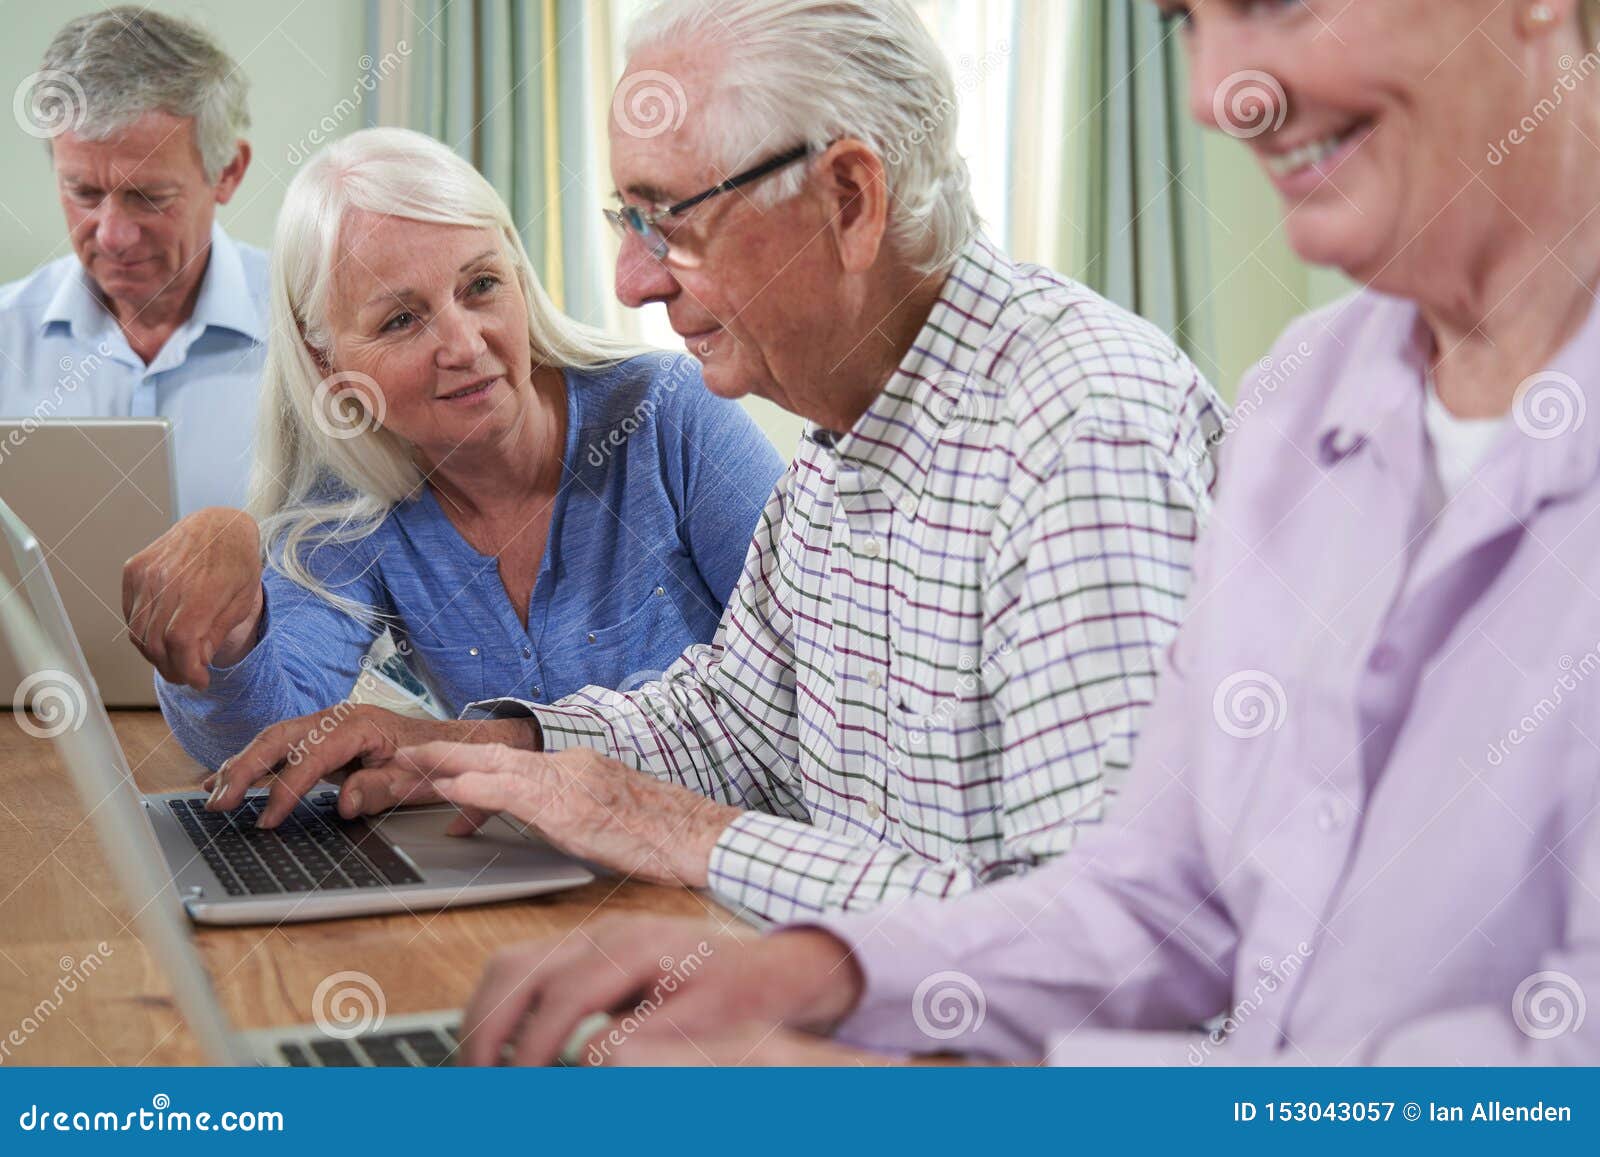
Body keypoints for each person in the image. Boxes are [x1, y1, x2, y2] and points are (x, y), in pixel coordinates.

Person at [453, 0, 1600, 1066]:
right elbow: (1157, 903)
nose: (1213, 94)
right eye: (1184, 19)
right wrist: (810, 972)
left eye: (1274, 2)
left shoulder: (1087, 422)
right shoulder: (1310, 392)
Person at [201, 0, 1225, 921]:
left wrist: (685, 832)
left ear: (849, 199)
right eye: (627, 220)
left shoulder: (1078, 435)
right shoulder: (843, 434)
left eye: (671, 220)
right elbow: (737, 718)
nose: (631, 280)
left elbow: (1119, 934)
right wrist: (479, 748)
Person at [133, 127, 783, 777]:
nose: (465, 345)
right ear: (325, 361)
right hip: (514, 846)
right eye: (401, 320)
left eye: (481, 285)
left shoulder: (669, 413)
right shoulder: (354, 498)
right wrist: (235, 626)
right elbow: (261, 743)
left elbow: (805, 685)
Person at [0, 7, 263, 516]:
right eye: (83, 192)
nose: (113, 235)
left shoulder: (315, 337)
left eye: (148, 197)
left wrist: (257, 556)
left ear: (228, 172)